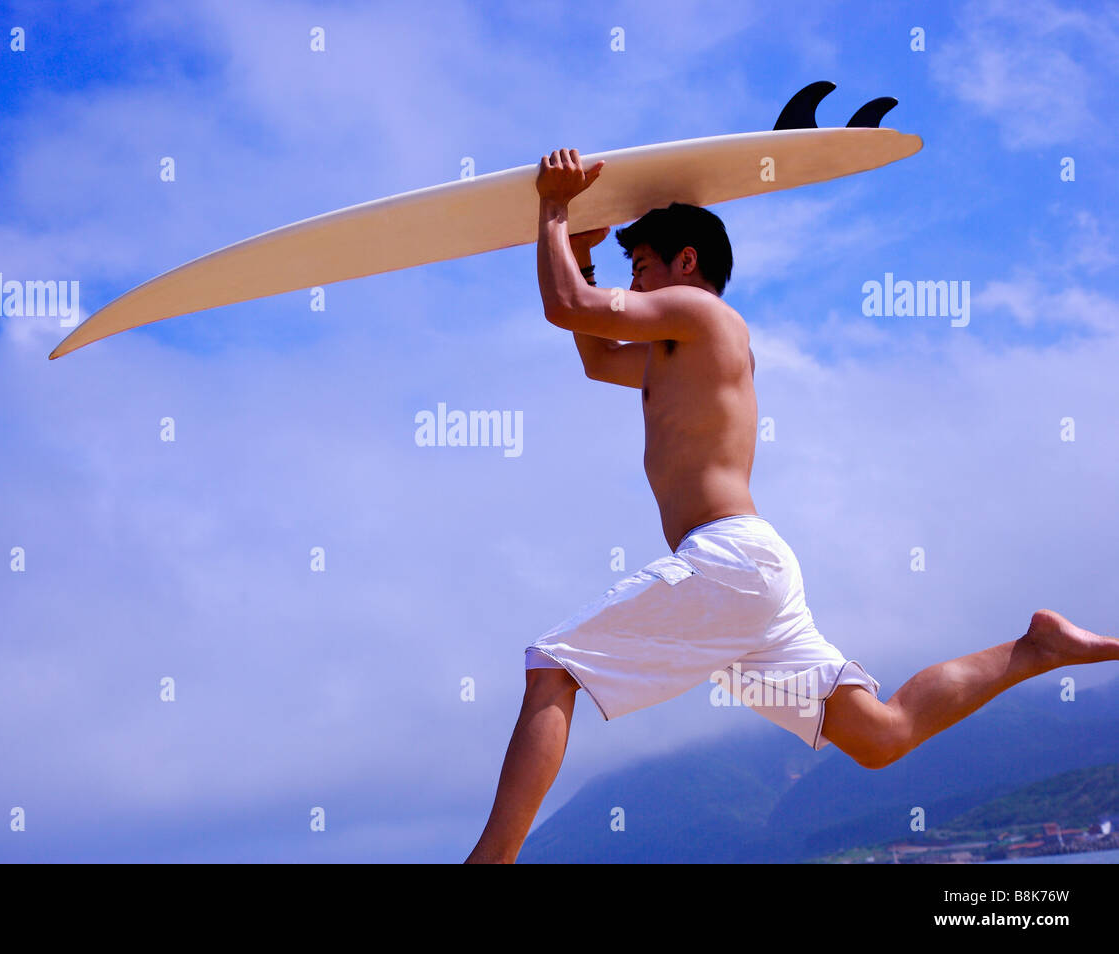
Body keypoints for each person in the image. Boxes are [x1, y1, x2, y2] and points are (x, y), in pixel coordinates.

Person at [464, 148, 1118, 864]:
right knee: (879, 735)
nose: (634, 284)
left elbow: (566, 309)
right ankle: (1035, 649)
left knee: (551, 668)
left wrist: (556, 208)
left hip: (728, 564)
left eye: (640, 265)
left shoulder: (700, 313)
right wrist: (579, 258)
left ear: (686, 263)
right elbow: (592, 351)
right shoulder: (670, 348)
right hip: (746, 577)